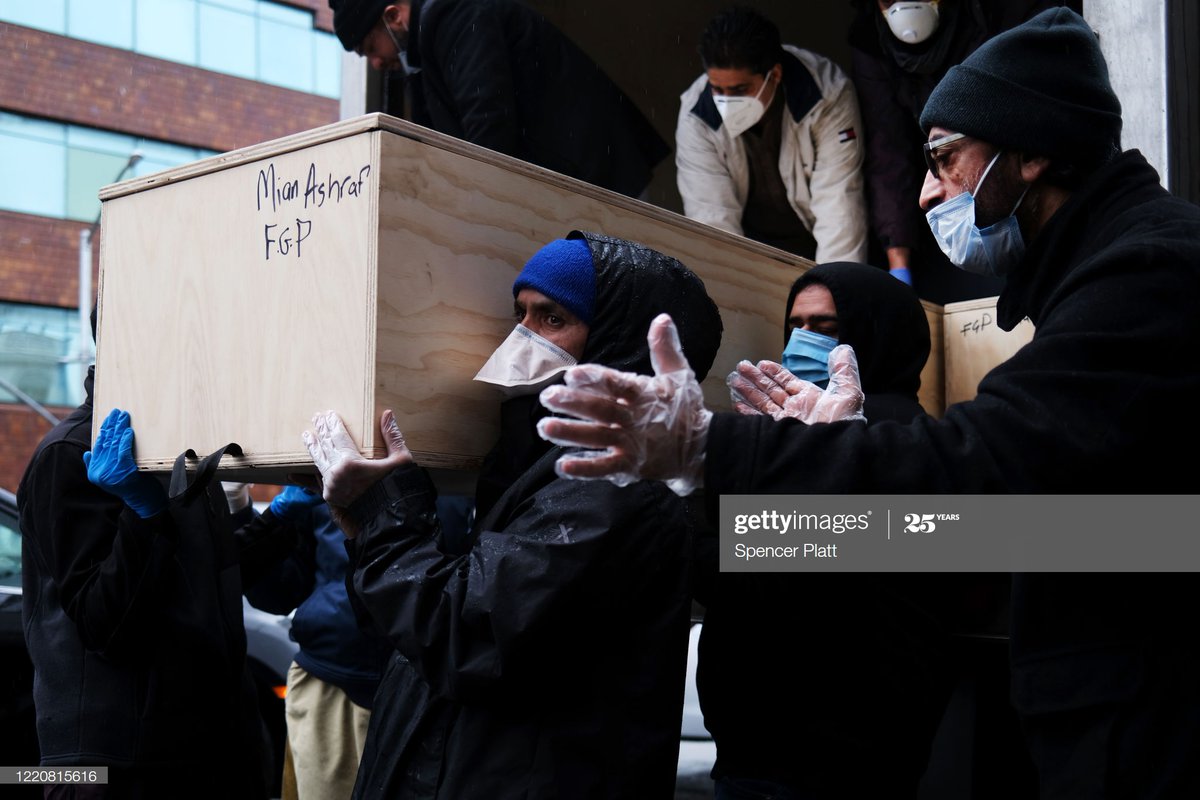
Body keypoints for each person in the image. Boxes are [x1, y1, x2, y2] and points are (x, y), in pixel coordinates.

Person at [537, 9, 1200, 796]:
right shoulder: (1106, 277)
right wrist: (731, 486)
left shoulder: (1147, 273)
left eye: (946, 159)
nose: (926, 194)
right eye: (796, 325)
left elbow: (977, 506)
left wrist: (726, 454)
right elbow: (1109, 530)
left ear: (1031, 152)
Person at [301, 233, 723, 798]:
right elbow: (417, 635)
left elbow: (465, 634)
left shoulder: (616, 487)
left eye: (552, 318)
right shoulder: (533, 468)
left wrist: (387, 516)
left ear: (619, 340)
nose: (524, 337)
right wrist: (371, 532)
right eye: (519, 314)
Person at [701, 262, 953, 798]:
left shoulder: (906, 441)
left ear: (877, 330)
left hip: (837, 745)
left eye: (827, 328)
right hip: (766, 742)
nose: (803, 340)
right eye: (795, 324)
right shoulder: (788, 426)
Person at [17, 330, 290, 797]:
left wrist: (283, 517)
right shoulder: (72, 452)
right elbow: (103, 622)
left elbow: (199, 580)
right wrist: (143, 516)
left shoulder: (179, 446)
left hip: (206, 747)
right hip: (118, 766)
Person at [329, 0, 669, 199]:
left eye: (371, 49)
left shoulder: (455, 15)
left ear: (393, 17)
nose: (375, 63)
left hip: (593, 178)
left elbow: (488, 120)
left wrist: (476, 203)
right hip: (577, 181)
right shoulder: (428, 46)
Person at [849, 0, 1075, 299]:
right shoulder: (870, 41)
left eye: (944, 156)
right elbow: (888, 151)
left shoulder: (999, 15)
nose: (903, 6)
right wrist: (898, 264)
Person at [676, 7, 868, 263]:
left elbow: (839, 206)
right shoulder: (697, 115)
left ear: (774, 75)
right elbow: (712, 223)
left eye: (739, 89)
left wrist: (835, 290)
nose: (726, 101)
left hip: (816, 238)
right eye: (717, 89)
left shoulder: (826, 94)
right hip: (751, 247)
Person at [241, 486, 392, 800]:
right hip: (331, 686)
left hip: (431, 684)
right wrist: (240, 510)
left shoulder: (462, 452)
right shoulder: (323, 462)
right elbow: (278, 592)